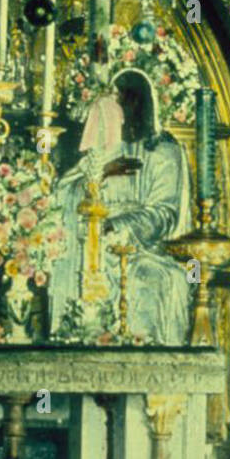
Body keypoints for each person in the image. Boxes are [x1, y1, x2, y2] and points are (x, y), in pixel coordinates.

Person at [50, 68, 191, 344]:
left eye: (130, 101)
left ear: (145, 104)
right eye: (118, 103)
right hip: (91, 246)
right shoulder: (103, 149)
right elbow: (66, 193)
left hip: (140, 249)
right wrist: (99, 174)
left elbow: (163, 214)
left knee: (154, 281)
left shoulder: (163, 151)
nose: (124, 110)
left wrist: (117, 226)